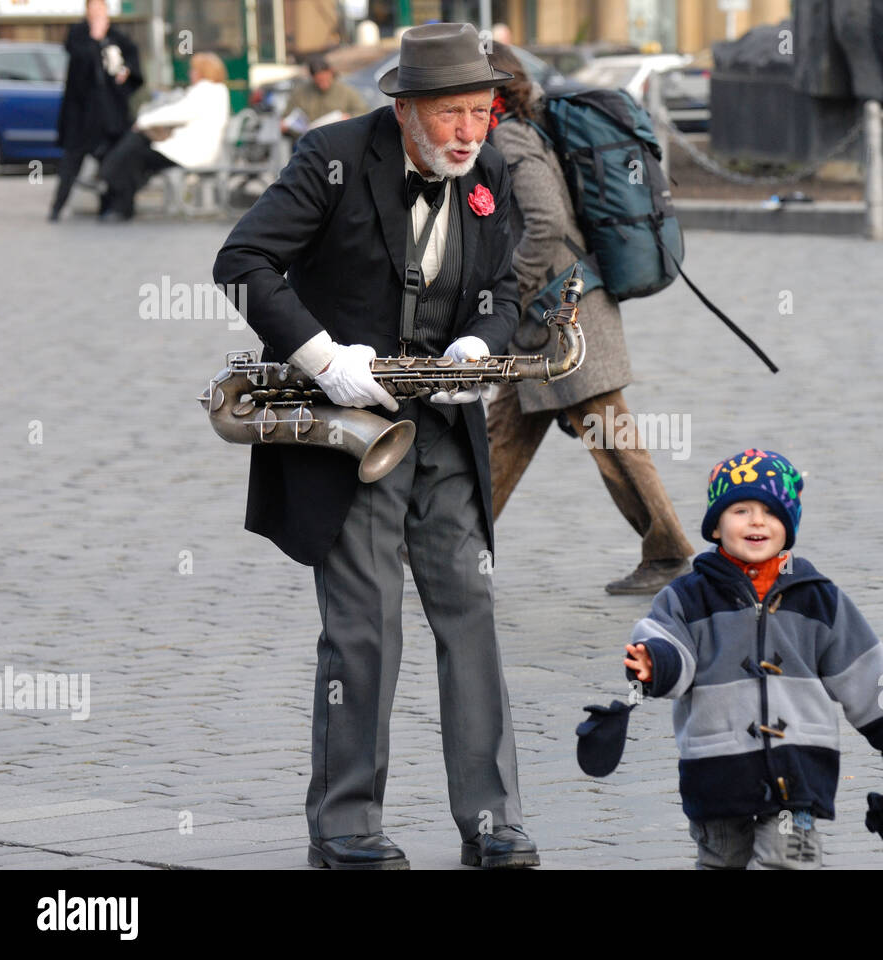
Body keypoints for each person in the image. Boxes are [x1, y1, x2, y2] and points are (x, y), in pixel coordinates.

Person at [213, 22, 538, 870]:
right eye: (453, 114)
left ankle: (493, 820)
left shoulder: (491, 167)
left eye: (482, 109)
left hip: (444, 428)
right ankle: (346, 827)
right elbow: (243, 259)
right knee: (364, 631)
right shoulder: (329, 156)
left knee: (471, 615)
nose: (473, 131)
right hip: (352, 432)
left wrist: (480, 342)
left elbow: (506, 284)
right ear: (405, 111)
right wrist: (324, 358)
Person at [622, 449, 883, 869]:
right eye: (740, 510)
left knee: (792, 860)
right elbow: (666, 641)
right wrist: (656, 663)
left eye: (770, 512)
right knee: (720, 859)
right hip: (717, 766)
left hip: (799, 767)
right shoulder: (688, 597)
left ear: (790, 524)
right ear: (715, 525)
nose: (756, 521)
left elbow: (862, 666)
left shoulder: (819, 597)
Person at [484, 42, 695, 595]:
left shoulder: (507, 138)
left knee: (613, 437)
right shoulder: (513, 130)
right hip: (547, 318)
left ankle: (670, 552)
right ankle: (447, 541)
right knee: (504, 432)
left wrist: (512, 286)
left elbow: (548, 220)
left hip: (565, 314)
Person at [98, 52, 230, 221]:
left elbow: (180, 112)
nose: (190, 73)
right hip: (188, 150)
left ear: (203, 72)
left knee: (134, 150)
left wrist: (144, 121)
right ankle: (117, 195)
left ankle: (114, 190)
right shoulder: (215, 91)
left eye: (194, 70)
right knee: (135, 149)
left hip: (190, 153)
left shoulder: (206, 91)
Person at [49, 0, 142, 221]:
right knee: (71, 162)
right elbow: (79, 61)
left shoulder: (118, 36)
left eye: (102, 9)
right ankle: (57, 207)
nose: (98, 14)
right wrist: (95, 39)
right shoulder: (78, 33)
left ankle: (111, 207)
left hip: (109, 115)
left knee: (112, 161)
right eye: (94, 9)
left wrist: (126, 71)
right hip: (81, 115)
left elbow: (132, 61)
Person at [280, 53, 368, 137]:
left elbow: (363, 112)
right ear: (312, 77)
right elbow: (287, 117)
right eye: (319, 81)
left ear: (331, 72)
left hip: (337, 140)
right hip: (308, 141)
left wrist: (349, 117)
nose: (323, 84)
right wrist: (285, 125)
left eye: (326, 80)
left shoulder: (346, 91)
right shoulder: (300, 93)